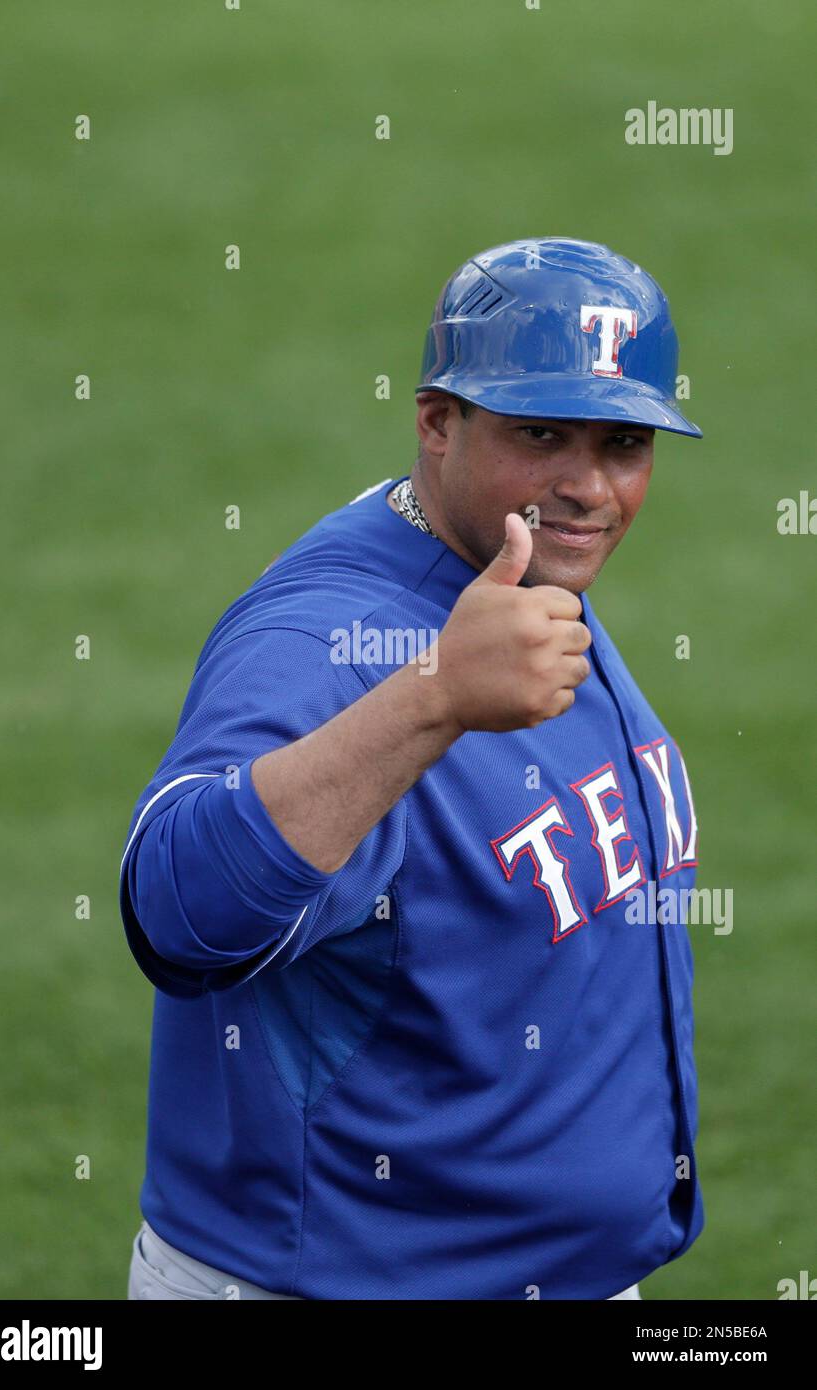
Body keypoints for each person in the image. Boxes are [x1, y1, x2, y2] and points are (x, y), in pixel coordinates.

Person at [120, 237, 704, 1300]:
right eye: (540, 433)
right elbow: (175, 909)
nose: (586, 486)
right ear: (438, 422)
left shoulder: (502, 566)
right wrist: (432, 694)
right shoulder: (330, 640)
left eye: (622, 441)